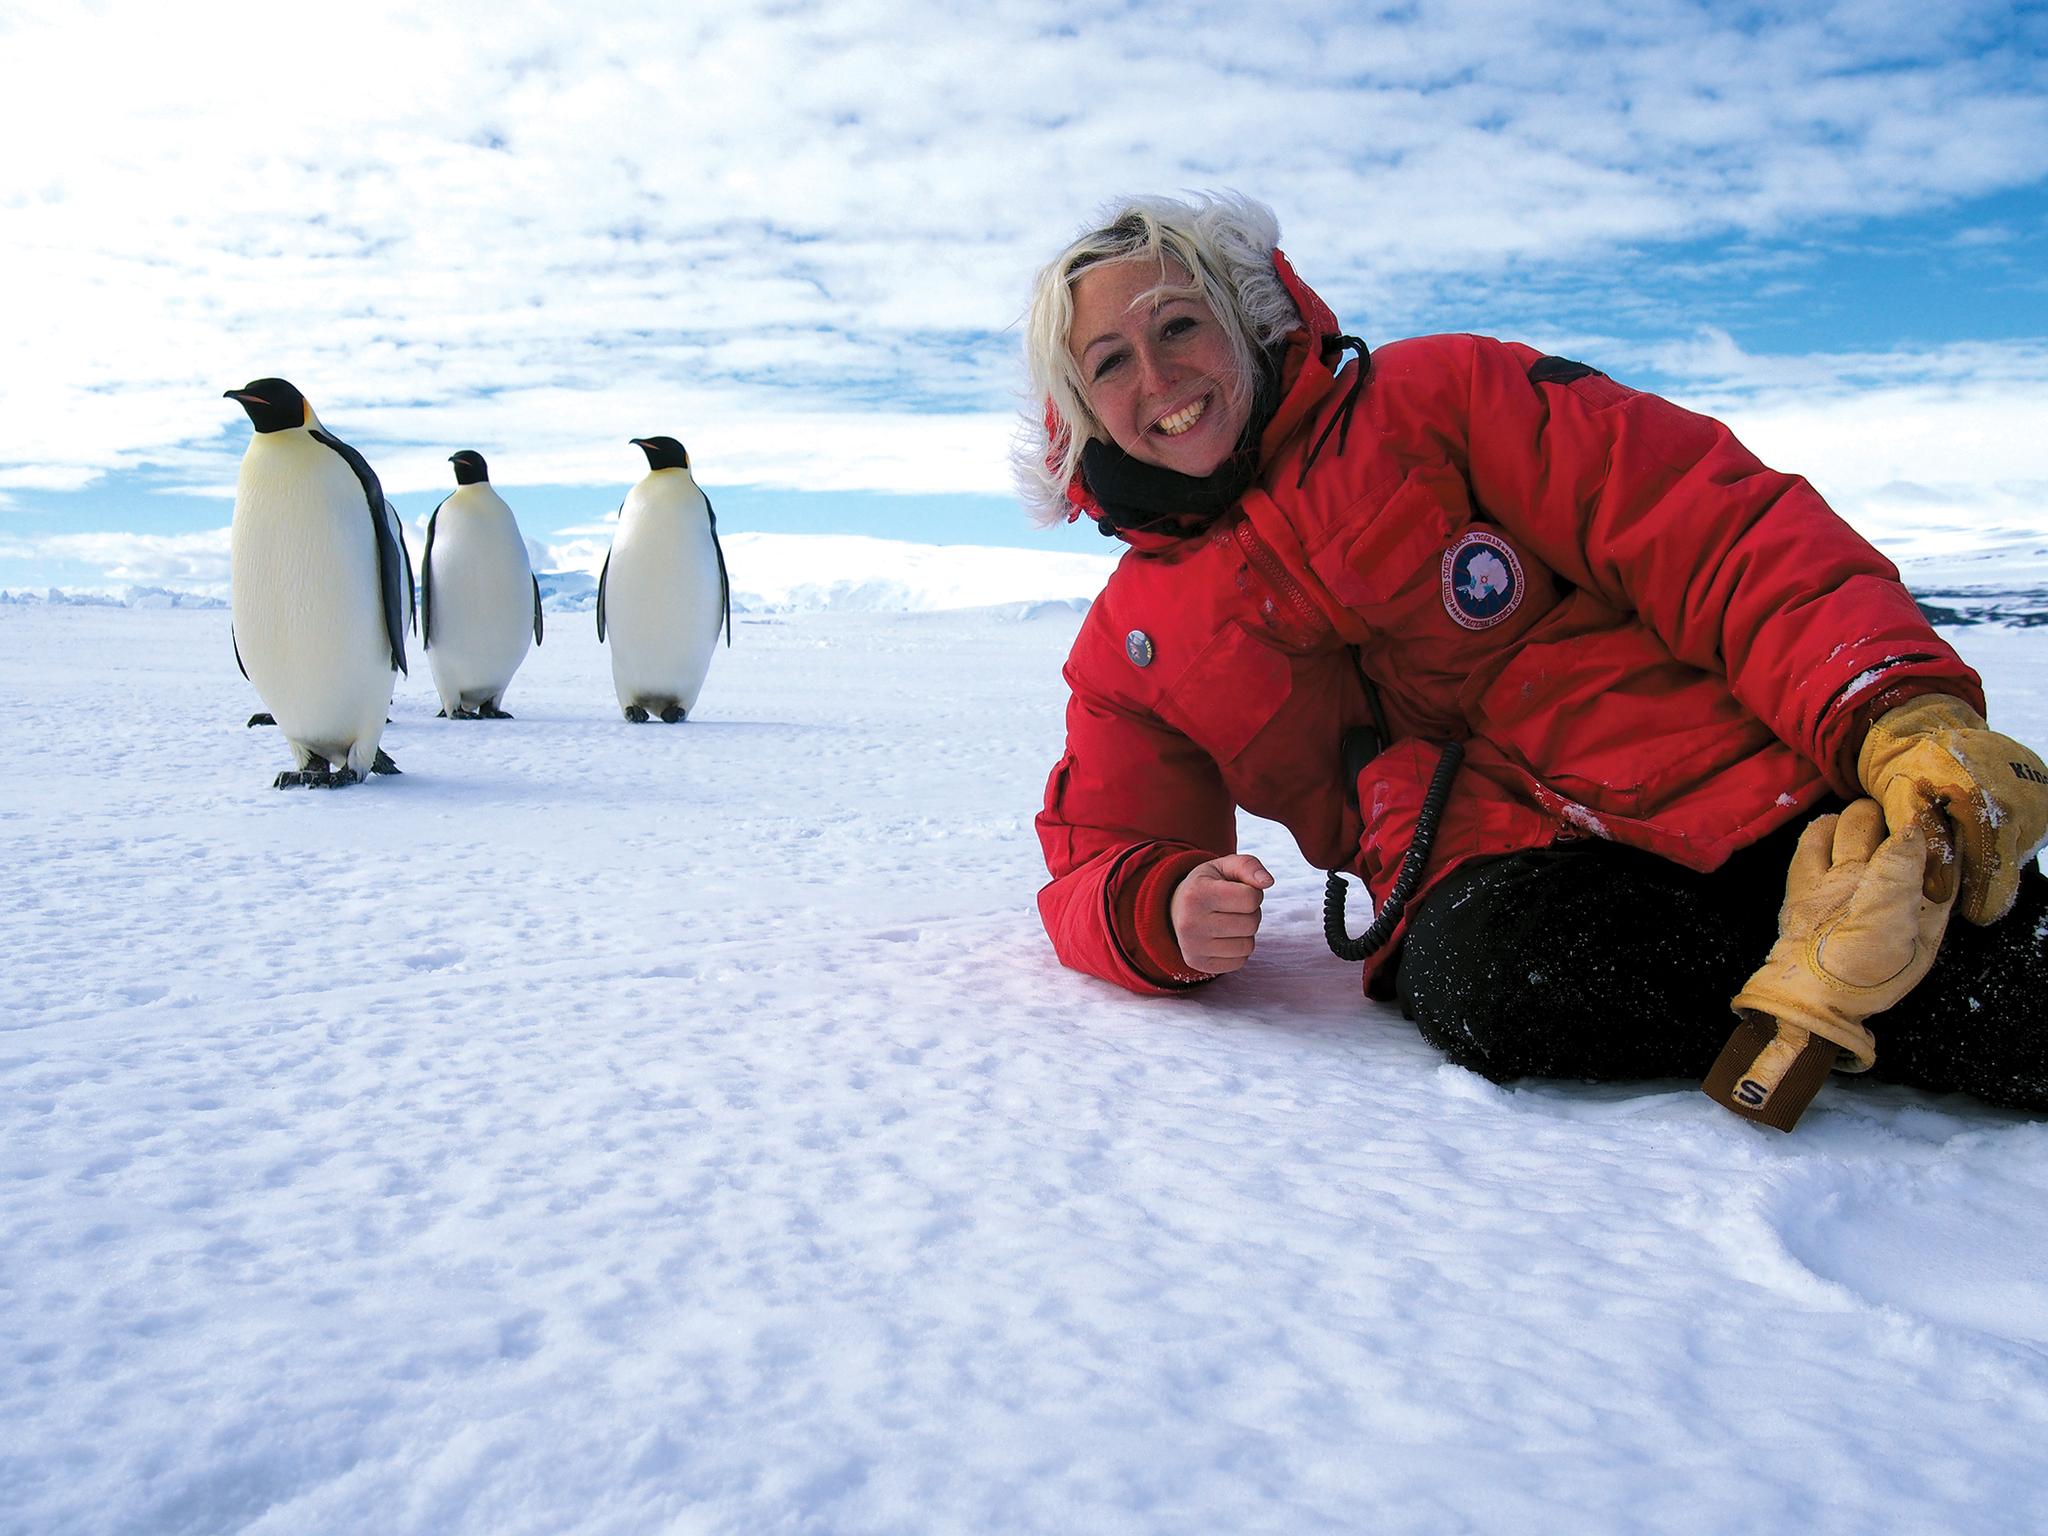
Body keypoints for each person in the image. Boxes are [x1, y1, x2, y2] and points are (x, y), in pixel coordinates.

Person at [1021, 191, 2048, 1116]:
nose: (1157, 376)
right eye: (1109, 361)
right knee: (1488, 987)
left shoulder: (1437, 394)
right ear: (1078, 411)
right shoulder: (1131, 645)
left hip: (1738, 792)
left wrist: (1889, 711)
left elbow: (1701, 528)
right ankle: (1842, 965)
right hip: (1495, 884)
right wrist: (1154, 909)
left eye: (1177, 326)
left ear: (1242, 318)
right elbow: (1100, 849)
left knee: (2008, 987)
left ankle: (1868, 954)